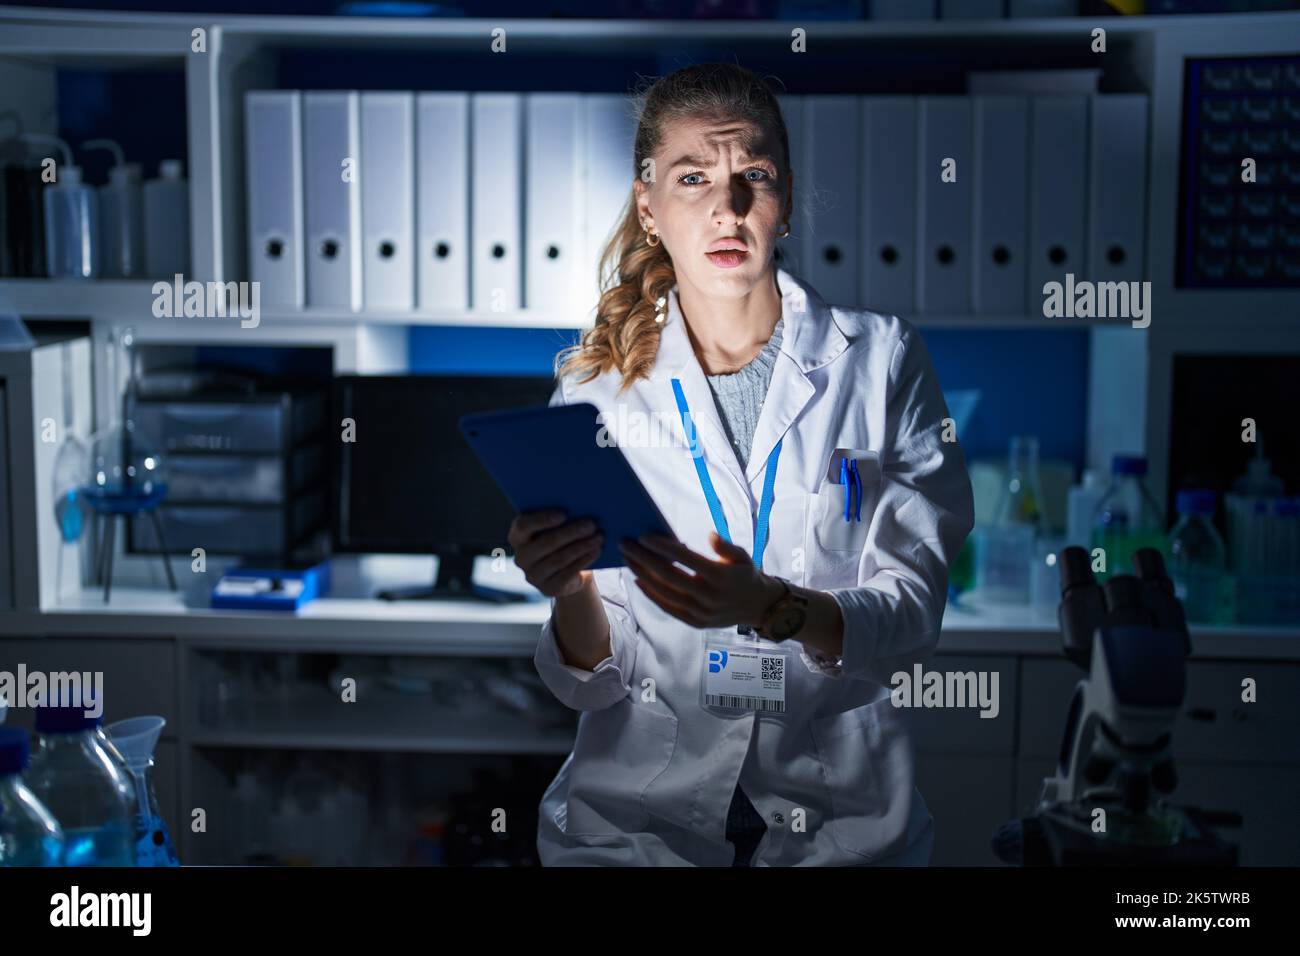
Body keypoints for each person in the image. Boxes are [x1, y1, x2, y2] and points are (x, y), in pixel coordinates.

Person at [508, 63, 974, 866]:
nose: (727, 208)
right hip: (636, 825)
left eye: (751, 175)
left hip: (840, 820)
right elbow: (590, 679)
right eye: (693, 178)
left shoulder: (882, 361)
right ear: (648, 206)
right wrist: (571, 587)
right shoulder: (599, 391)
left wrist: (776, 606)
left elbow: (911, 615)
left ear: (784, 199)